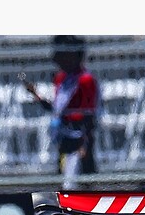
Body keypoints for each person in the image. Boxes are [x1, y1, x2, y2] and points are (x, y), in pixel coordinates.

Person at [24, 36, 99, 186]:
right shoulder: (61, 78)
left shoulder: (85, 80)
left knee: (82, 185)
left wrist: (85, 144)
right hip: (63, 139)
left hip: (79, 140)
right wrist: (37, 96)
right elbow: (57, 109)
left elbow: (88, 114)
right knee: (64, 184)